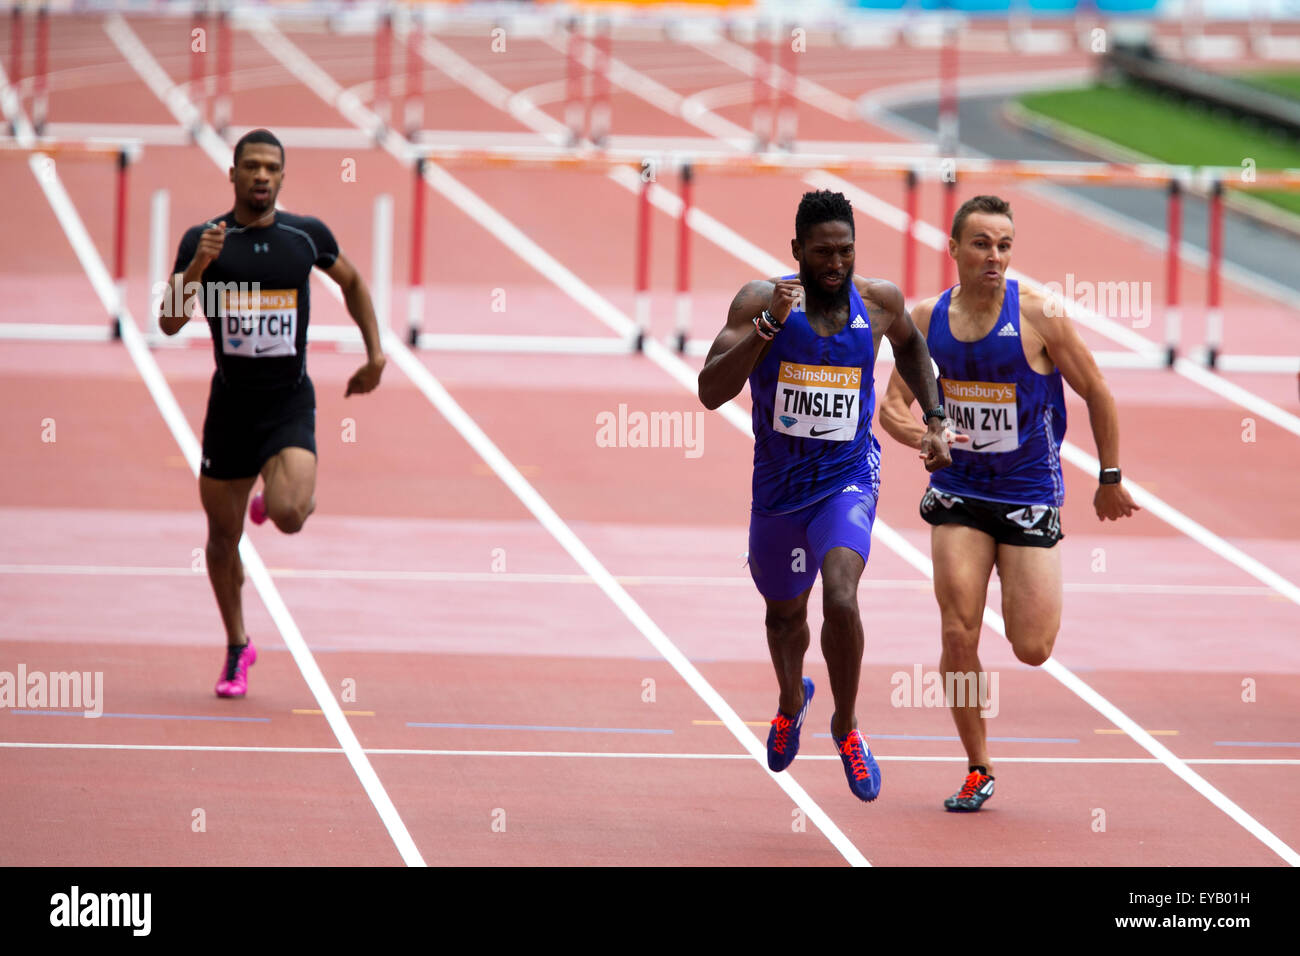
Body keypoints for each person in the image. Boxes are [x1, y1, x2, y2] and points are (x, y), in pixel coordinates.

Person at [879, 194, 1139, 812]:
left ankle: (1020, 617)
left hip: (1028, 495)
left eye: (1004, 246)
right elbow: (889, 408)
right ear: (955, 249)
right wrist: (928, 435)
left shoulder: (1040, 315)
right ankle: (978, 765)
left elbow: (1098, 389)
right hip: (959, 494)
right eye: (981, 244)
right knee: (956, 629)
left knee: (1032, 647)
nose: (993, 256)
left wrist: (1110, 476)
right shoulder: (925, 320)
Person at [698, 190, 957, 802]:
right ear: (797, 253)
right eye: (823, 254)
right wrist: (764, 331)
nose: (836, 264)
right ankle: (792, 700)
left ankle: (847, 725)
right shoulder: (761, 302)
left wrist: (937, 418)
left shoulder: (879, 300)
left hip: (847, 480)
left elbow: (913, 347)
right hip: (779, 492)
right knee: (785, 616)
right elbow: (710, 391)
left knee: (840, 595)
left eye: (845, 251)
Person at [159, 128, 386, 699]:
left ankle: (273, 490)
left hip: (288, 402)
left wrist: (376, 354)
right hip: (231, 409)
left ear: (282, 178)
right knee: (221, 539)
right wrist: (195, 271)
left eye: (271, 168)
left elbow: (354, 281)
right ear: (232, 174)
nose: (261, 176)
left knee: (288, 514)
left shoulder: (303, 239)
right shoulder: (205, 240)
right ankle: (238, 646)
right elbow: (167, 322)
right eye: (251, 166)